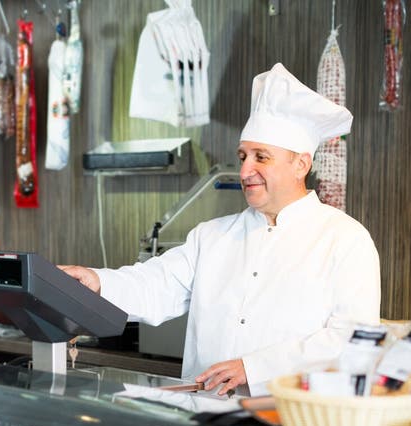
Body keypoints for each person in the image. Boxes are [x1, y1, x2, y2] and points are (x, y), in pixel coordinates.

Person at [60, 63, 381, 396]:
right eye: (243, 156)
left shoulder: (345, 239)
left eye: (261, 157)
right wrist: (98, 282)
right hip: (206, 418)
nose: (245, 171)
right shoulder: (211, 236)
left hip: (293, 425)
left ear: (301, 164)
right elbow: (155, 284)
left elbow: (353, 341)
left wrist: (253, 368)